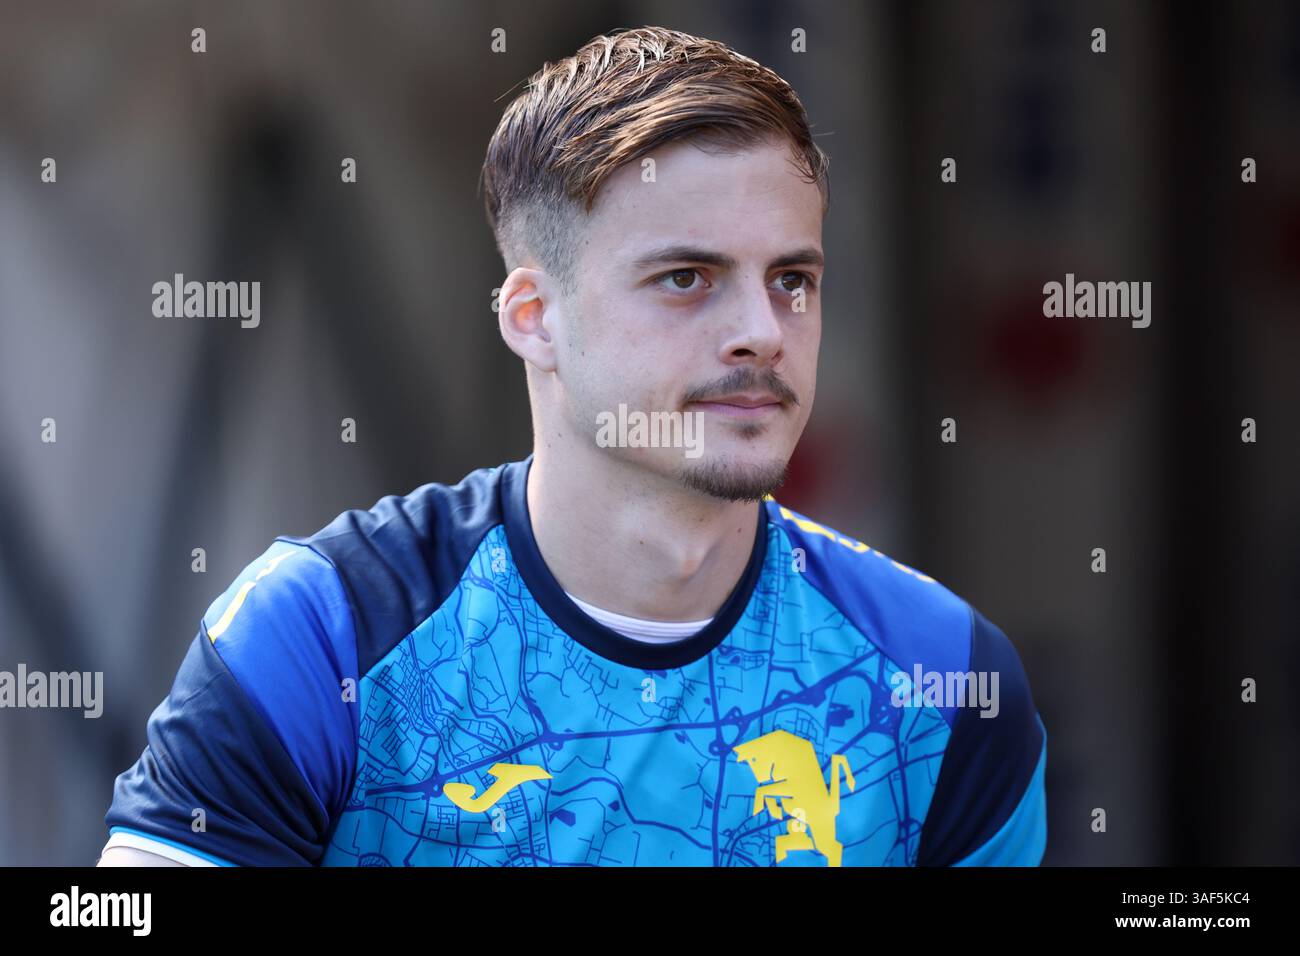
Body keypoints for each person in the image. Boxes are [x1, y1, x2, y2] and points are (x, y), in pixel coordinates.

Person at [99, 25, 1046, 867]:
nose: (763, 328)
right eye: (687, 277)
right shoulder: (322, 638)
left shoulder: (944, 678)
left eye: (793, 278)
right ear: (534, 317)